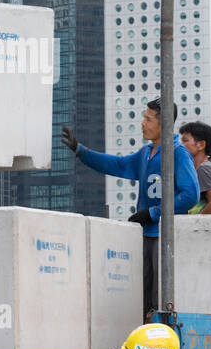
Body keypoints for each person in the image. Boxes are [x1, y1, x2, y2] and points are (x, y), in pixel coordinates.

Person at [63, 98, 198, 317]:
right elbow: (118, 165)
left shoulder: (178, 153)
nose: (142, 123)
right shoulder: (146, 153)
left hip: (163, 237)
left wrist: (153, 213)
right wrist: (80, 150)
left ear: (163, 123)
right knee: (141, 298)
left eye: (148, 119)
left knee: (160, 298)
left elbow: (190, 194)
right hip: (143, 235)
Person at [179, 120, 211, 214]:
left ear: (201, 145)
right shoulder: (200, 169)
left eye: (185, 141)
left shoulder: (204, 169)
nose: (180, 145)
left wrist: (193, 221)